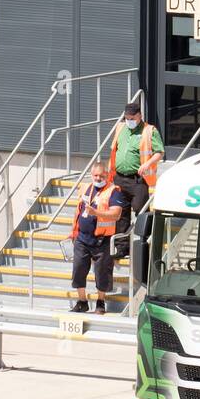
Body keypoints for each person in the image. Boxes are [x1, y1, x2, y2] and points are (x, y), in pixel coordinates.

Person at [69, 160, 126, 315]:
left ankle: (100, 302)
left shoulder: (114, 191)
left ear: (107, 175)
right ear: (91, 175)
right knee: (78, 270)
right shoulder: (85, 188)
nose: (98, 178)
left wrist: (97, 213)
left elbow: (116, 214)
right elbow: (79, 211)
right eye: (95, 175)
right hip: (82, 238)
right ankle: (82, 302)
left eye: (101, 175)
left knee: (102, 273)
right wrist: (73, 230)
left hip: (103, 239)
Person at [108, 101, 163, 259]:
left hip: (138, 179)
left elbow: (159, 152)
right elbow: (114, 150)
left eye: (132, 117)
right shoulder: (120, 128)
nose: (129, 121)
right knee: (121, 213)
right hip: (119, 177)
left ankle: (146, 245)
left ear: (139, 116)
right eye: (126, 118)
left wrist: (147, 163)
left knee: (141, 210)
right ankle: (121, 247)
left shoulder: (149, 130)